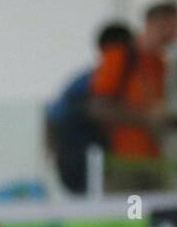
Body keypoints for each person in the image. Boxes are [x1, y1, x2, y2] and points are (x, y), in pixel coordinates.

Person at [88, 1, 177, 189]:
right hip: (121, 161)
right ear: (157, 23)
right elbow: (98, 107)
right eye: (175, 25)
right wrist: (146, 118)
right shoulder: (120, 56)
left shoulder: (158, 64)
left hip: (152, 158)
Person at [45, 22, 135, 195]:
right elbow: (54, 115)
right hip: (78, 156)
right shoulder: (87, 82)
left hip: (97, 158)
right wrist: (54, 152)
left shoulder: (109, 83)